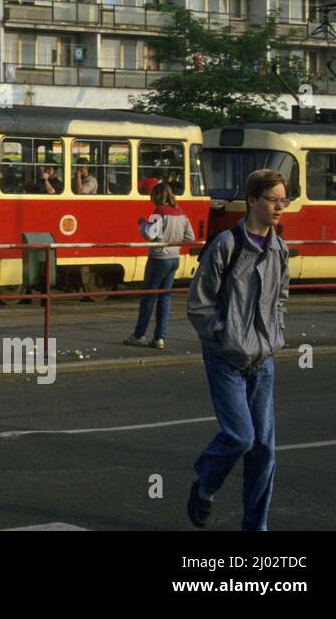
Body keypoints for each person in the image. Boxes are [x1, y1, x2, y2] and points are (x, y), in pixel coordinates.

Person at [186, 169, 290, 532]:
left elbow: (280, 297)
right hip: (226, 358)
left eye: (283, 200)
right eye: (273, 200)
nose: (279, 207)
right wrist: (223, 337)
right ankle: (206, 482)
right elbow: (199, 303)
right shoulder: (226, 245)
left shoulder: (279, 248)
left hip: (262, 360)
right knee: (240, 437)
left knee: (264, 451)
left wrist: (274, 334)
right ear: (252, 201)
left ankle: (255, 527)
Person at [124, 181, 195, 350]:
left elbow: (149, 235)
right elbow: (190, 237)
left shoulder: (159, 212)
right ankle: (159, 338)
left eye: (152, 196)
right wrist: (174, 243)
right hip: (174, 258)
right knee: (165, 298)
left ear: (158, 196)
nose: (151, 200)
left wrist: (142, 223)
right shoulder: (181, 213)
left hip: (158, 258)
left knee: (148, 297)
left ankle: (139, 335)